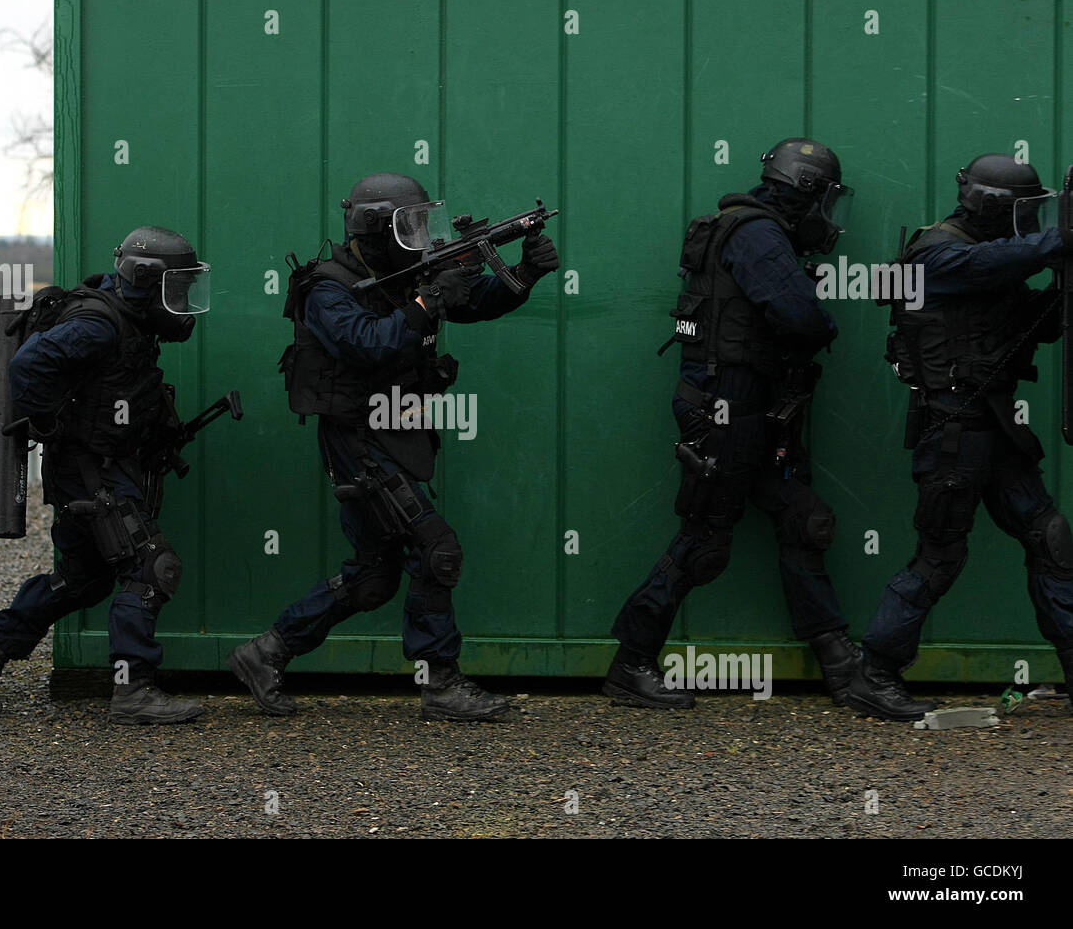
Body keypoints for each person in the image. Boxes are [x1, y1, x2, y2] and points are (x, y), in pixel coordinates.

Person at [230, 172, 559, 721]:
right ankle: (441, 682)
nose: (421, 234)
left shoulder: (407, 272)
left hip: (398, 431)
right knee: (437, 549)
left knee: (375, 576)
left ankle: (265, 654)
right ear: (375, 227)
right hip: (357, 439)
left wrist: (523, 273)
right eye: (410, 224)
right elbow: (365, 344)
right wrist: (430, 300)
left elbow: (475, 302)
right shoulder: (325, 287)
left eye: (423, 222)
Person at [604, 139, 861, 709]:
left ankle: (843, 670)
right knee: (703, 542)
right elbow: (802, 319)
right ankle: (632, 663)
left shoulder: (749, 228)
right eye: (827, 198)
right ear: (807, 190)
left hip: (752, 405)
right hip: (728, 405)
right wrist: (821, 320)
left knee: (804, 520)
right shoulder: (757, 234)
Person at [0, 226, 210, 725]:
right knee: (153, 567)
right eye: (174, 287)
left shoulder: (127, 317)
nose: (180, 300)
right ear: (145, 280)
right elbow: (28, 369)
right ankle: (132, 687)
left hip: (99, 466)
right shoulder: (99, 322)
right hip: (91, 471)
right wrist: (54, 425)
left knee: (84, 579)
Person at [847, 153, 1073, 720]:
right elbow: (985, 263)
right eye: (1024, 210)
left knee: (1050, 537)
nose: (1031, 222)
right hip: (953, 431)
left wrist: (1062, 283)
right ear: (993, 206)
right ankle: (874, 672)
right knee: (941, 555)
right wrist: (1060, 243)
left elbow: (1037, 324)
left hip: (994, 426)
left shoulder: (994, 262)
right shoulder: (937, 252)